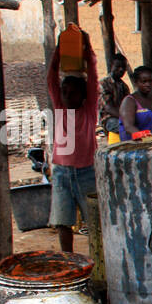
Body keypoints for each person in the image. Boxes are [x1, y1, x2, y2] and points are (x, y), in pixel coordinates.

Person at [47, 32, 99, 253]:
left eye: (73, 92)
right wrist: (58, 52)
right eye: (64, 92)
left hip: (87, 172)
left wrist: (88, 52)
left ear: (83, 95)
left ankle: (98, 261)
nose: (67, 96)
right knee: (62, 221)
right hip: (61, 173)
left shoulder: (89, 111)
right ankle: (68, 259)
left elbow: (94, 79)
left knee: (94, 221)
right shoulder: (59, 108)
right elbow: (51, 78)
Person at [119, 66, 152, 141]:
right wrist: (147, 138)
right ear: (136, 82)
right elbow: (128, 127)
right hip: (135, 147)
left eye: (150, 81)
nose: (148, 84)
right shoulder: (129, 101)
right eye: (144, 82)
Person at [98, 53, 129, 139]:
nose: (121, 69)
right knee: (127, 128)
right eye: (118, 66)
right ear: (111, 65)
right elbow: (108, 108)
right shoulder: (103, 84)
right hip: (109, 120)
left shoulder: (124, 86)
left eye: (123, 67)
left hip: (122, 117)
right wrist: (127, 118)